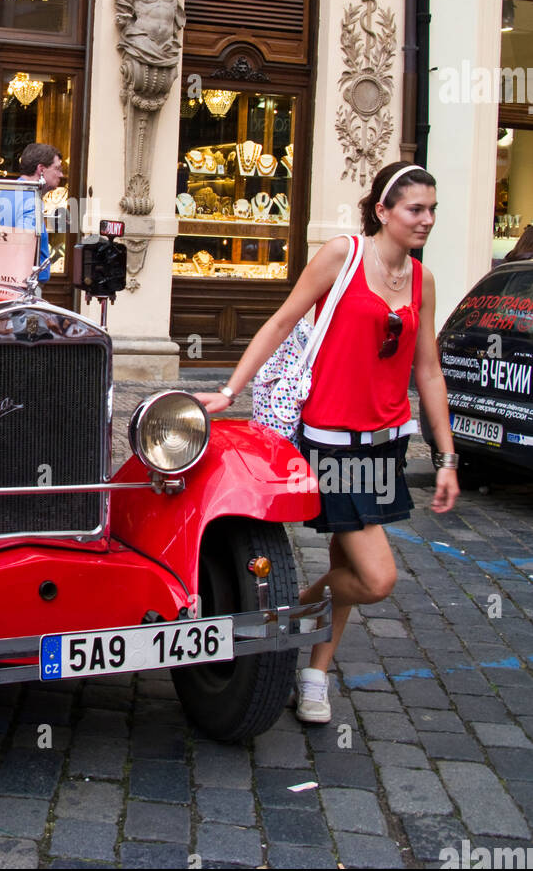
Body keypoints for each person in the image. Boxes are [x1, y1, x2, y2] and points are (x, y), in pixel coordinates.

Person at [197, 162, 460, 725]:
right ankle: (286, 611)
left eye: (433, 209)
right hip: (333, 443)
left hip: (385, 443)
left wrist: (446, 455)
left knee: (349, 557)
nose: (427, 219)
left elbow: (429, 370)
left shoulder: (422, 280)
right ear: (383, 210)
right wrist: (230, 388)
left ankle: (315, 676)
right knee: (376, 577)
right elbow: (280, 321)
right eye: (416, 209)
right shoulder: (341, 256)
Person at [0, 143, 64, 281]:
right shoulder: (31, 201)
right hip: (22, 287)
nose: (61, 174)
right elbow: (25, 249)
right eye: (57, 169)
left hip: (0, 281)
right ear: (41, 169)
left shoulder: (3, 194)